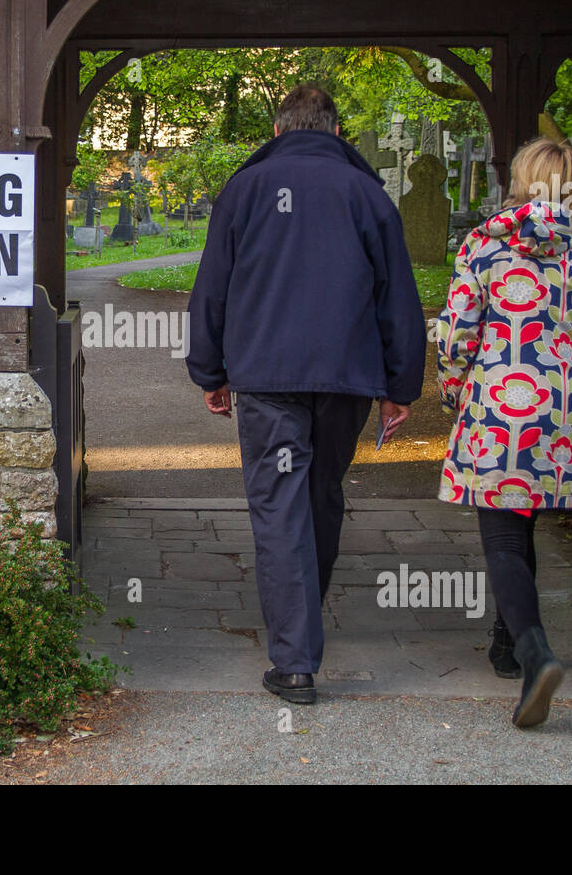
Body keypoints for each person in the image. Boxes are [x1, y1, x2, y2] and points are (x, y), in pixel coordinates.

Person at [186, 84, 426, 705]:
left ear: (277, 131)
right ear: (337, 134)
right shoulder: (367, 194)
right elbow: (396, 295)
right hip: (345, 375)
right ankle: (301, 622)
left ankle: (294, 658)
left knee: (280, 502)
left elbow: (212, 287)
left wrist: (210, 370)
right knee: (320, 494)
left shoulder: (244, 191)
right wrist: (400, 387)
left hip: (267, 376)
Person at [436, 136, 572, 727]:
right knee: (525, 526)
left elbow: (457, 331)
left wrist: (453, 386)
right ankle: (508, 644)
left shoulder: (484, 246)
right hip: (559, 409)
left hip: (496, 403)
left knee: (502, 536)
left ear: (518, 178)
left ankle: (536, 650)